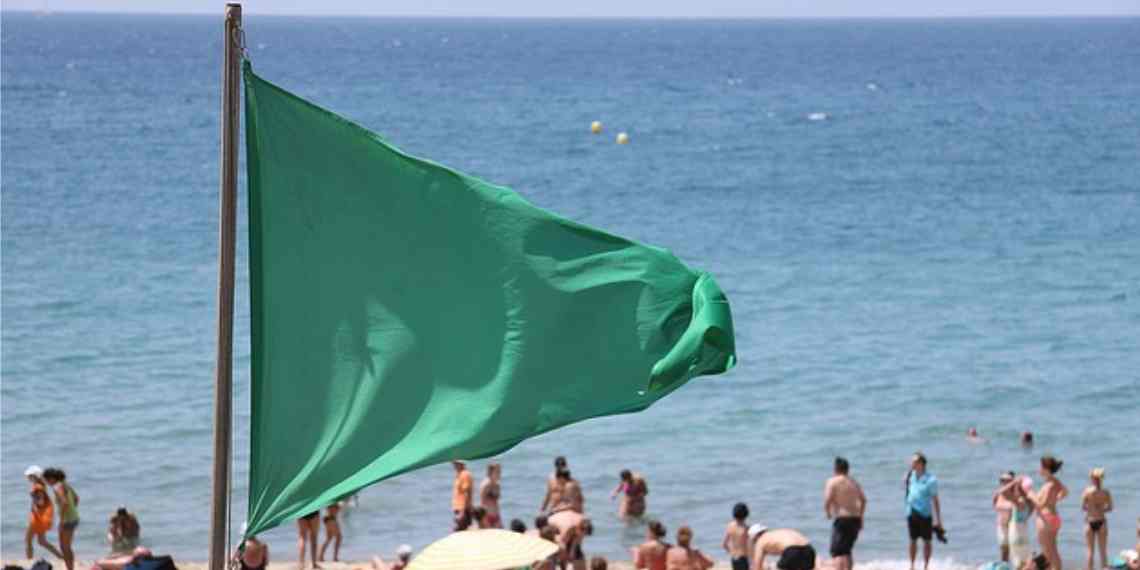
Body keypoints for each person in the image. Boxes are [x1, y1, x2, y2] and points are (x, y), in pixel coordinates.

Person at [1025, 456, 1068, 570]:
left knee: (1048, 551)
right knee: (1053, 550)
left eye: (1041, 467)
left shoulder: (1048, 485)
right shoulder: (1055, 481)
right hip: (1054, 517)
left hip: (1046, 519)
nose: (1039, 469)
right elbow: (1066, 492)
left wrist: (1031, 494)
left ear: (1046, 469)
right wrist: (1056, 499)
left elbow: (1040, 504)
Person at [825, 457, 867, 570]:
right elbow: (863, 500)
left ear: (836, 469)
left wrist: (828, 512)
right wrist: (861, 517)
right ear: (847, 469)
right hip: (855, 519)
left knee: (837, 552)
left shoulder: (832, 481)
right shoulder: (853, 482)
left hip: (842, 518)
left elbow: (828, 499)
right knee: (847, 550)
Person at [904, 453, 942, 570]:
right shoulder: (911, 476)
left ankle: (926, 566)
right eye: (912, 462)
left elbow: (935, 500)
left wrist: (938, 520)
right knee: (912, 540)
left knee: (927, 541)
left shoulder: (931, 480)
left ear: (921, 464)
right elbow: (908, 491)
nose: (912, 464)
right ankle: (912, 566)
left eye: (914, 462)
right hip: (911, 512)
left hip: (925, 514)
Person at [43, 467, 80, 570]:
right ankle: (70, 567)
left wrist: (62, 520)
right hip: (74, 518)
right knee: (66, 546)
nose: (46, 482)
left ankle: (70, 568)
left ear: (51, 478)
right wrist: (72, 510)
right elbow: (77, 499)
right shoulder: (65, 484)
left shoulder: (56, 487)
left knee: (65, 547)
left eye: (46, 480)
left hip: (67, 520)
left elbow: (64, 503)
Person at [24, 466, 63, 560]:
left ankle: (29, 560)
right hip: (42, 517)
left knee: (28, 540)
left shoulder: (37, 487)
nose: (28, 478)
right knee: (42, 541)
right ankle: (61, 557)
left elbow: (40, 502)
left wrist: (34, 498)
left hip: (37, 518)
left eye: (30, 476)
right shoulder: (42, 485)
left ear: (35, 476)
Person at [1081, 467, 1113, 570]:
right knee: (1103, 552)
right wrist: (1101, 509)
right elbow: (1110, 508)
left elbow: (1083, 507)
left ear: (1092, 478)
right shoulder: (1106, 492)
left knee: (1090, 552)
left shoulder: (1087, 491)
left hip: (1089, 521)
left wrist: (1091, 508)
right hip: (1102, 521)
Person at [748, 524, 816, 570]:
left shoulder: (761, 540)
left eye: (753, 541)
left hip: (792, 550)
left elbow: (757, 566)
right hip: (809, 549)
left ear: (755, 537)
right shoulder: (776, 533)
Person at [994, 472, 1018, 562]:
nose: (1004, 482)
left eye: (1007, 480)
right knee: (1004, 550)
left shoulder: (1015, 494)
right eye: (1002, 480)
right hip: (1001, 525)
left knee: (1015, 551)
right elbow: (995, 505)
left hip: (1013, 526)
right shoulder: (998, 494)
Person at [722, 503, 750, 570]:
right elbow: (751, 546)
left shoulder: (730, 526)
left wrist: (731, 552)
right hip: (743, 558)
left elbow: (724, 545)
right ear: (746, 515)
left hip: (734, 558)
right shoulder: (746, 528)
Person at [452, 460, 474, 530]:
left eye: (455, 463)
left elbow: (466, 493)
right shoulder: (460, 474)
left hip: (463, 510)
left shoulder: (465, 474)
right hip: (460, 510)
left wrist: (462, 512)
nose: (453, 465)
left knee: (460, 534)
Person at [480, 463, 503, 528]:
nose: (499, 474)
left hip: (496, 516)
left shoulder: (497, 486)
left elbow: (496, 502)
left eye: (500, 471)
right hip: (487, 516)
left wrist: (499, 518)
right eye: (497, 472)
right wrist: (483, 519)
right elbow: (482, 503)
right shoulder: (485, 485)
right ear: (490, 472)